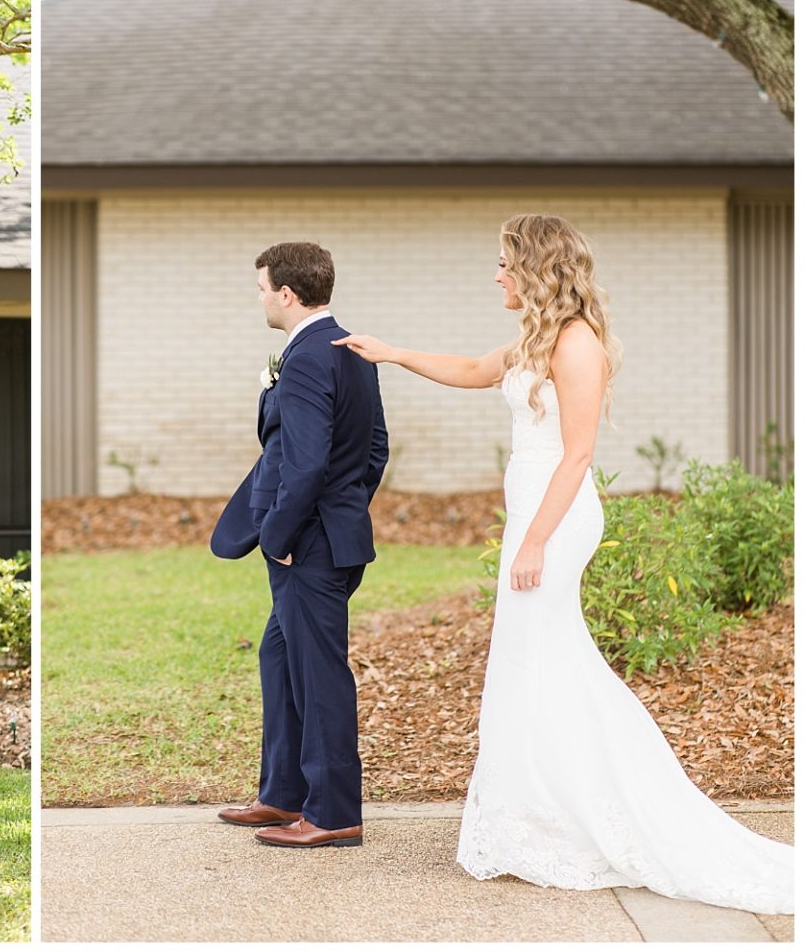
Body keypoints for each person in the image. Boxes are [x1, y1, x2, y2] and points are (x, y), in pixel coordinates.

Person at [334, 213, 793, 914]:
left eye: (503, 263)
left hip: (557, 516)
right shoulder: (534, 338)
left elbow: (578, 453)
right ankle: (540, 813)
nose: (495, 274)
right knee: (531, 663)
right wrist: (391, 352)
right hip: (533, 514)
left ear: (536, 267)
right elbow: (471, 370)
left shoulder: (578, 344)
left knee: (546, 658)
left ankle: (599, 808)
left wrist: (536, 539)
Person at [210, 241, 387, 848]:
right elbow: (375, 451)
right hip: (331, 534)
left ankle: (334, 814)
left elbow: (306, 463)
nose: (258, 297)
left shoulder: (310, 358)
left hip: (306, 544)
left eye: (261, 288)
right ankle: (283, 796)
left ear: (286, 293)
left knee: (319, 674)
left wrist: (284, 536)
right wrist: (347, 509)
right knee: (280, 656)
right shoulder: (352, 351)